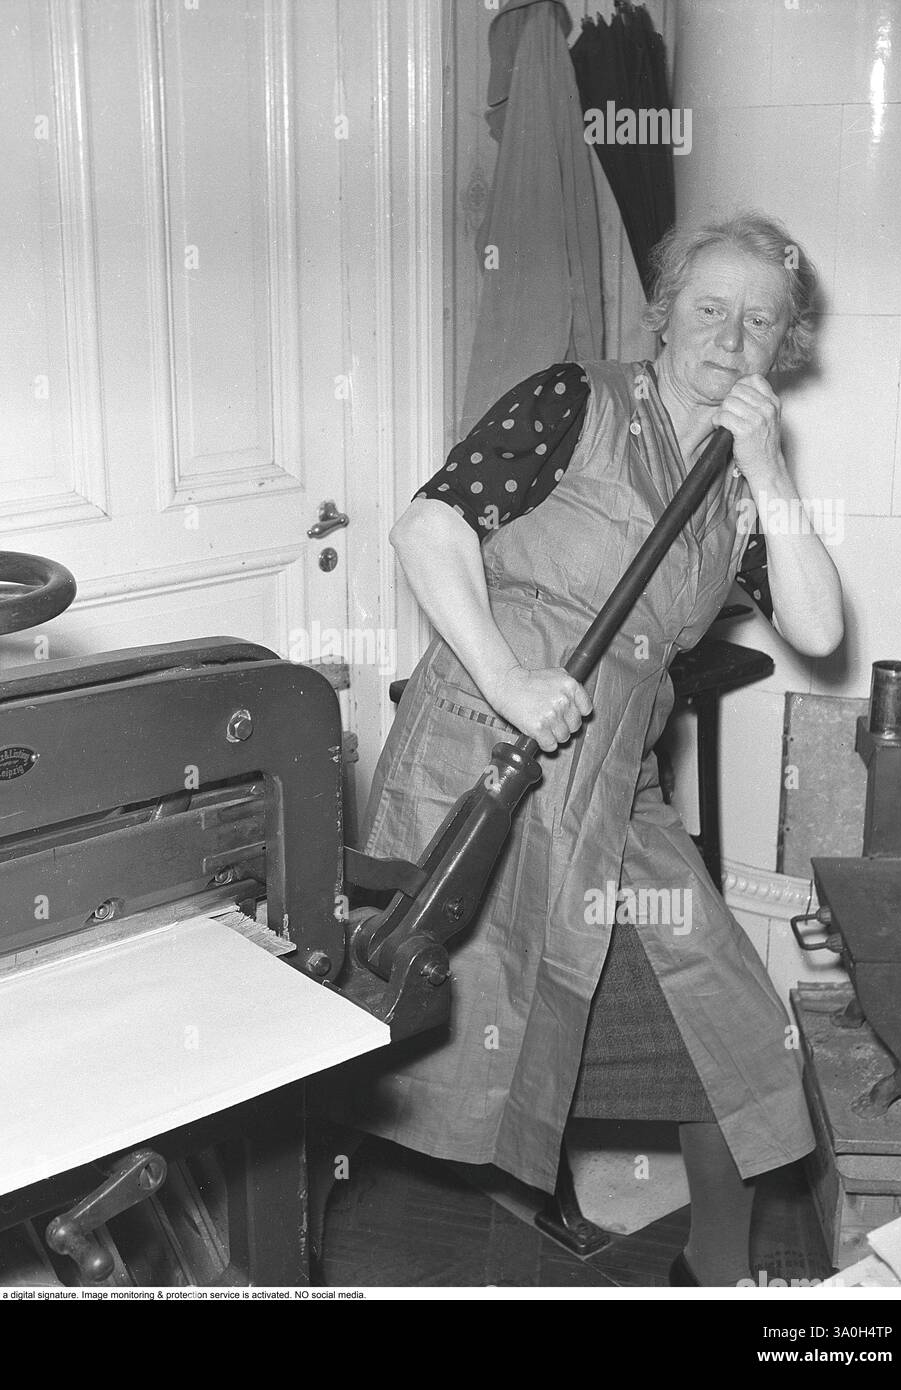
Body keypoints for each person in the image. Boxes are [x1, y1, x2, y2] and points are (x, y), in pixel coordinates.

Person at [330, 212, 843, 1287]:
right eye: (709, 307)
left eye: (760, 320)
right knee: (469, 1016)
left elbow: (819, 627)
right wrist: (511, 680)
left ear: (781, 347)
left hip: (619, 780)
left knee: (734, 1022)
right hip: (485, 752)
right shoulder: (576, 399)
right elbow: (429, 529)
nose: (730, 335)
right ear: (663, 313)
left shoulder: (735, 476)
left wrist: (769, 470)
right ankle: (494, 1236)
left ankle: (722, 1271)